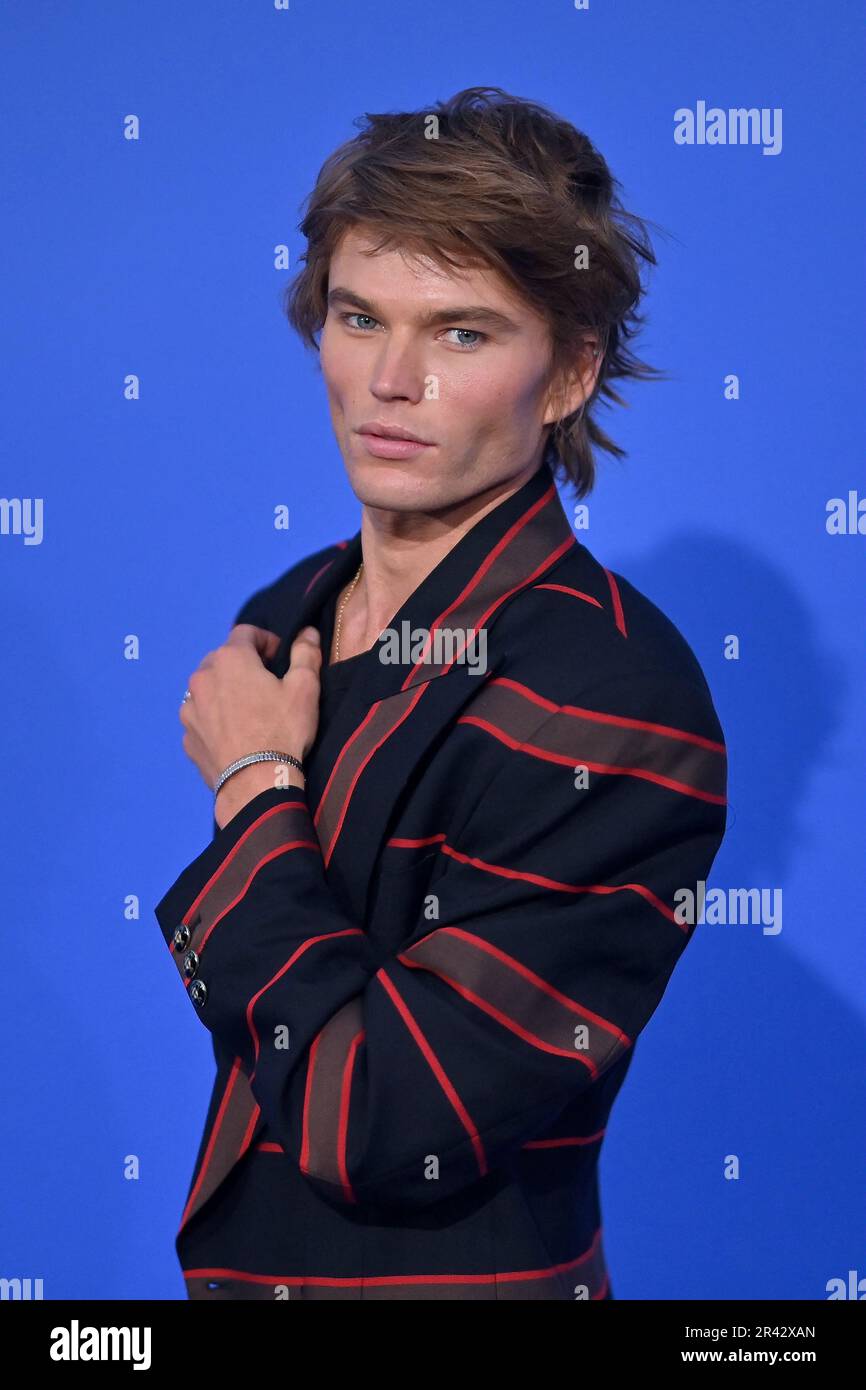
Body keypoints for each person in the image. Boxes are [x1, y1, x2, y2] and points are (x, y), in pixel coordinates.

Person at [155, 86, 727, 1300]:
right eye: (359, 318)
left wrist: (254, 789)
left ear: (569, 372)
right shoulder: (293, 610)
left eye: (461, 333)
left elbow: (385, 1121)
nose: (389, 380)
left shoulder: (612, 690)